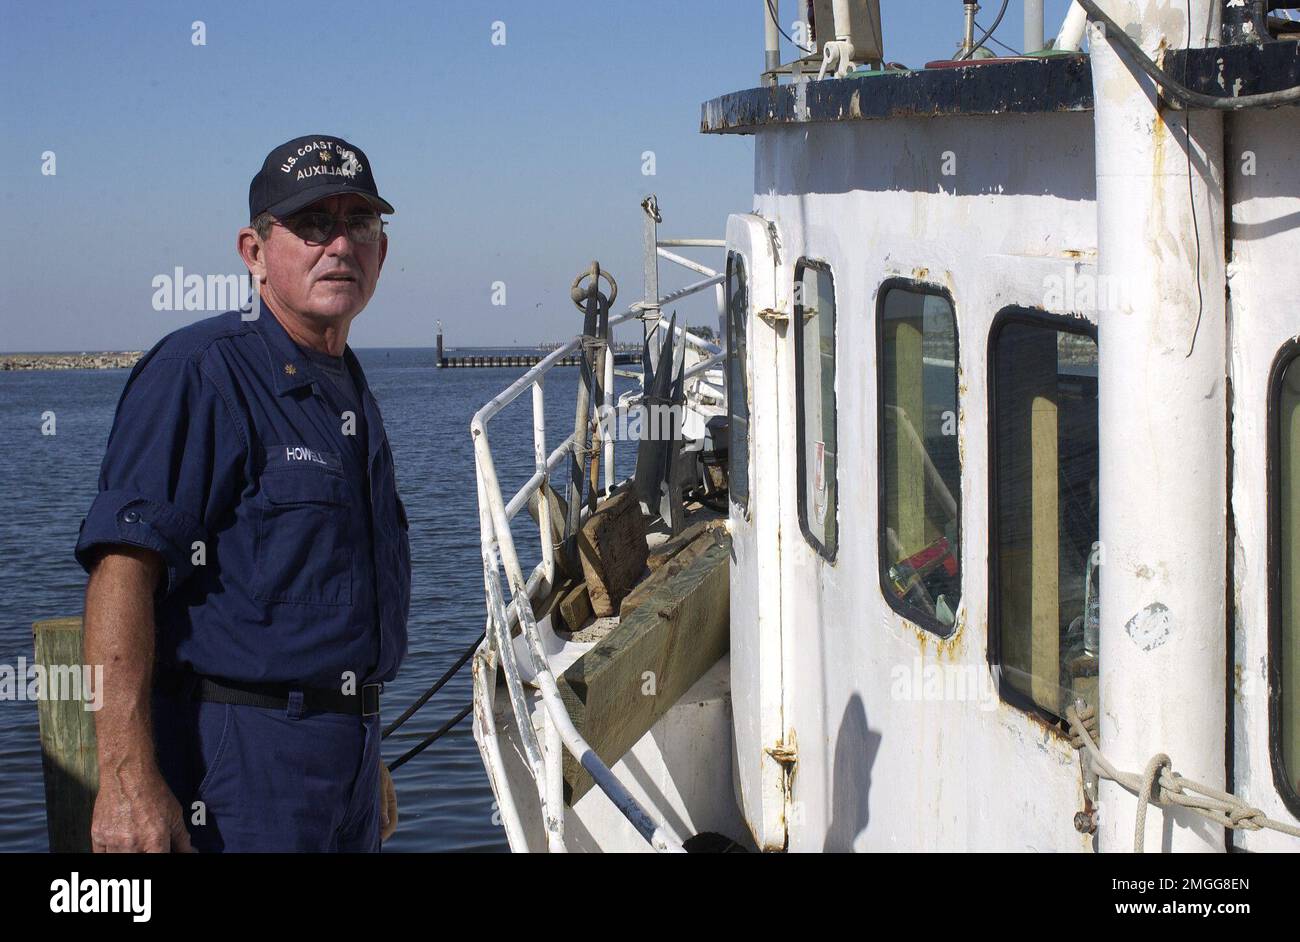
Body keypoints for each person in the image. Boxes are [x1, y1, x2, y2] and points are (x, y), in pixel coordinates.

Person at [75, 135, 411, 852]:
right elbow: (121, 575)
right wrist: (128, 782)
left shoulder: (346, 384)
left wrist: (358, 743)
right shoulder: (200, 375)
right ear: (253, 252)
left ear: (381, 253)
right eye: (314, 223)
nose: (340, 244)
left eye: (360, 224)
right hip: (237, 770)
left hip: (343, 762)